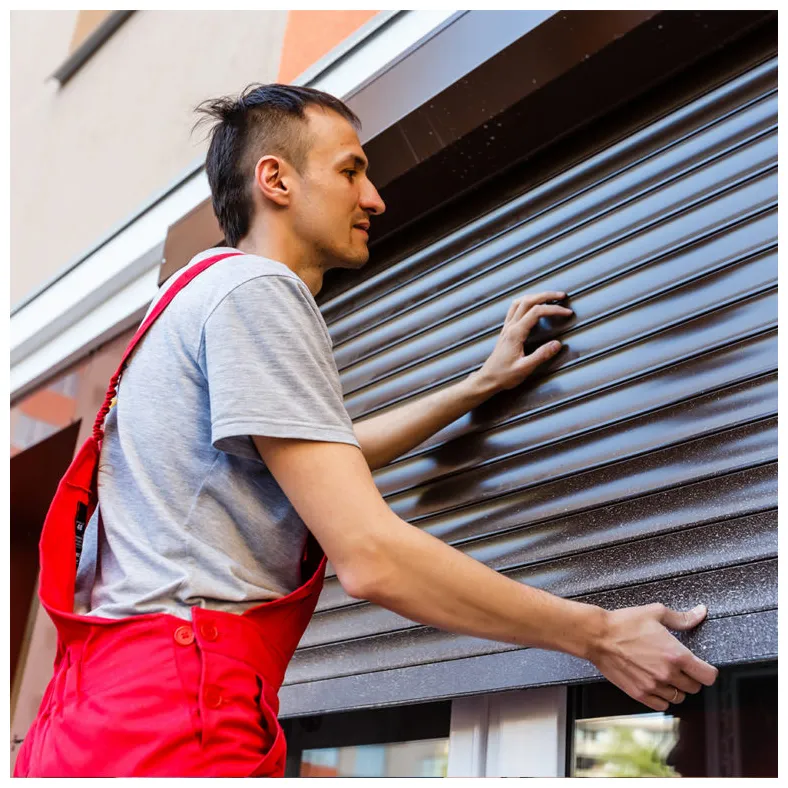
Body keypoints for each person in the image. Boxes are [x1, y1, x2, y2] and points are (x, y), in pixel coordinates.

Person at [15, 84, 718, 778]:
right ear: (276, 180)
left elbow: (326, 453)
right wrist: (599, 635)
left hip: (94, 719)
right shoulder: (257, 290)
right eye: (350, 170)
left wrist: (478, 386)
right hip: (178, 716)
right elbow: (371, 555)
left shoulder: (190, 300)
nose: (375, 198)